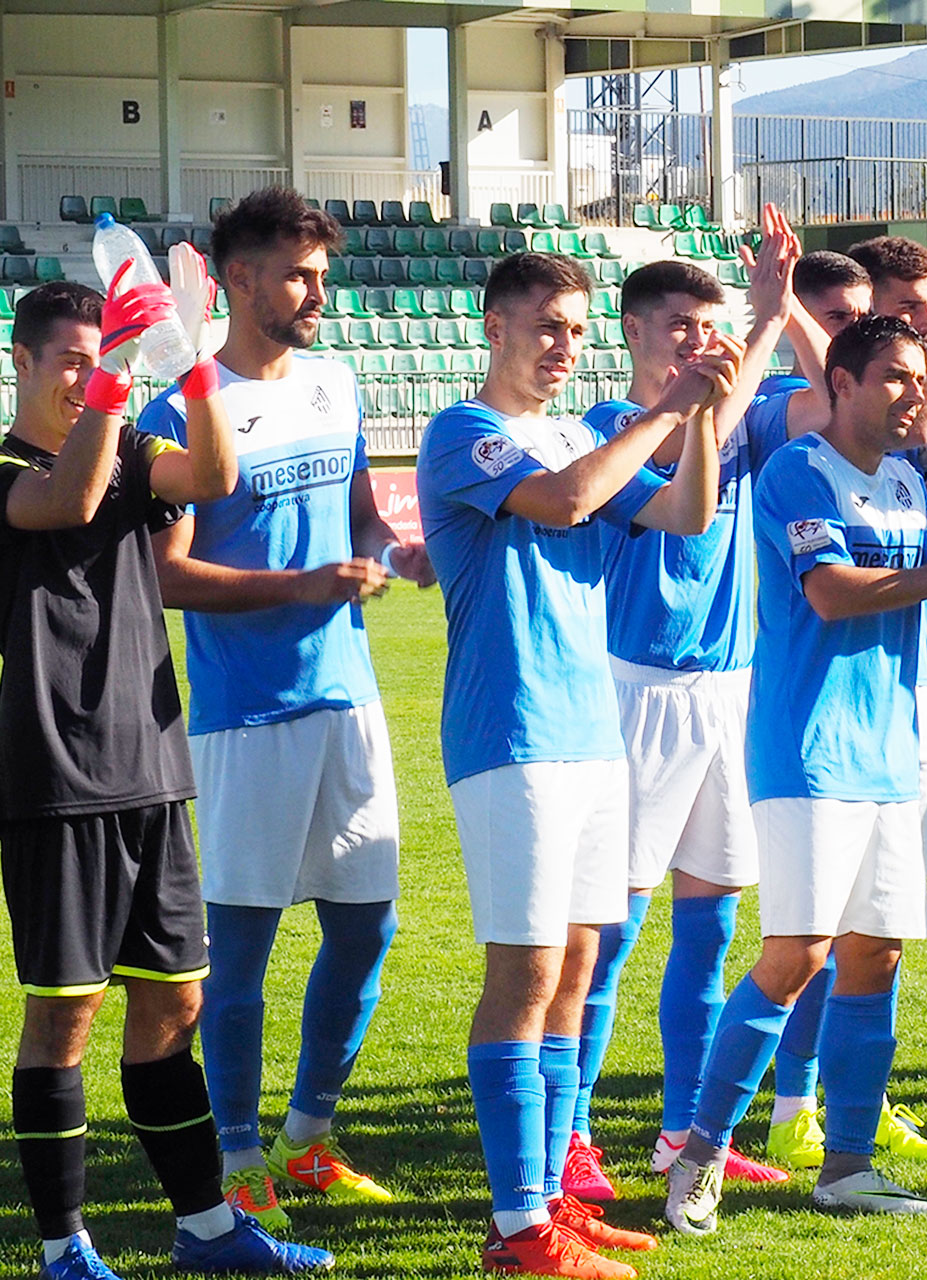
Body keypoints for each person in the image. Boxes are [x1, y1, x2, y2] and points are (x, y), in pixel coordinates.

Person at [661, 315, 927, 1236]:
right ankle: (699, 1155)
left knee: (874, 957)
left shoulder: (901, 479)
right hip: (809, 750)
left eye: (918, 380)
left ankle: (846, 1167)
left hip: (894, 749)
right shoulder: (796, 472)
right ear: (839, 383)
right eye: (893, 377)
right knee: (796, 956)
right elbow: (831, 593)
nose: (913, 395)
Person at [2, 276, 332, 1277]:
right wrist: (115, 375)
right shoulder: (9, 465)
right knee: (67, 1010)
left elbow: (215, 478)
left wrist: (191, 360)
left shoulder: (134, 449)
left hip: (152, 766)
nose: (83, 375)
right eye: (67, 357)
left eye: (95, 356)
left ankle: (207, 1229)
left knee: (175, 1003)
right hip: (55, 778)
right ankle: (65, 1242)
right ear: (20, 360)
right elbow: (67, 499)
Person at [416, 251, 735, 1278]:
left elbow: (684, 515)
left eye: (576, 329)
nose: (564, 344)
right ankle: (515, 1229)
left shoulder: (579, 430)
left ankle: (553, 1196)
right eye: (546, 324)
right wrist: (663, 410)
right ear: (492, 324)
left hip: (590, 729)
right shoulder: (464, 431)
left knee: (581, 963)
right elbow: (560, 502)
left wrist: (698, 421)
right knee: (528, 967)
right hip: (510, 731)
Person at [145, 187, 429, 1231]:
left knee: (366, 927)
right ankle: (238, 1153)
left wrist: (399, 550)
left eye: (323, 272)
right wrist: (301, 586)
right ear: (240, 280)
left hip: (346, 698)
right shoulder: (181, 407)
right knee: (243, 952)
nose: (317, 292)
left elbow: (357, 502)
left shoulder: (334, 380)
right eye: (298, 274)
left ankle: (310, 1134)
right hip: (244, 714)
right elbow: (167, 575)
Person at [562, 208, 801, 1197]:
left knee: (709, 926)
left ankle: (678, 1131)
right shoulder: (610, 431)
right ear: (634, 333)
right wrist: (762, 325)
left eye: (710, 332)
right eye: (678, 330)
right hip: (638, 695)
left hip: (731, 692)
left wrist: (778, 318)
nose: (696, 348)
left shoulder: (735, 422)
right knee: (606, 933)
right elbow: (672, 467)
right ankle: (570, 1132)